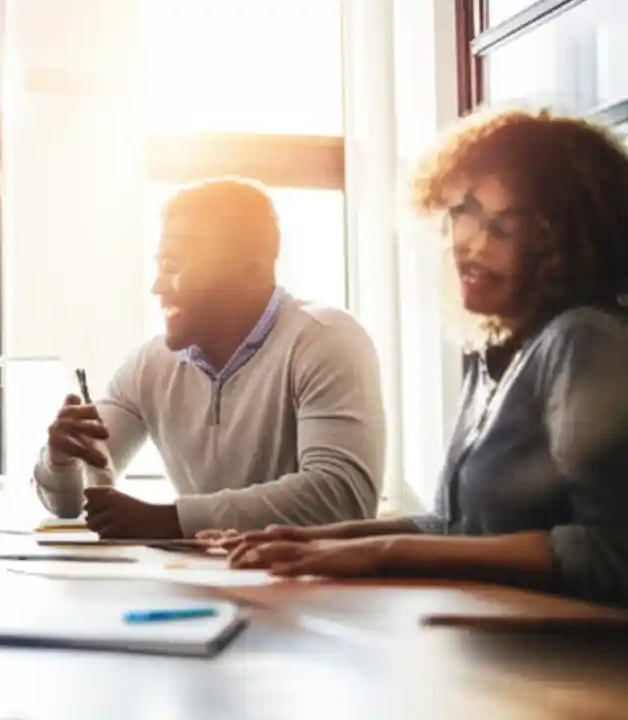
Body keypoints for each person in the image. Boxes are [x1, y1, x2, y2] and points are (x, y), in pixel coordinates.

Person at [217, 110, 628, 606]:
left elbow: (610, 554)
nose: (468, 246)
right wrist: (324, 537)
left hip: (577, 671)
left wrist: (383, 553)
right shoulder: (502, 352)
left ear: (565, 237)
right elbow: (458, 527)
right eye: (462, 213)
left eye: (502, 227)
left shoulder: (583, 339)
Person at [34, 178, 386, 539]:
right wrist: (60, 460)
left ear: (252, 271)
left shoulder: (325, 340)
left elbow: (341, 499)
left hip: (314, 589)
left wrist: (171, 520)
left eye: (173, 265)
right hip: (210, 584)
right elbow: (72, 503)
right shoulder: (149, 366)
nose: (157, 286)